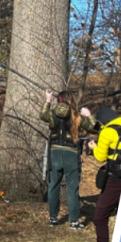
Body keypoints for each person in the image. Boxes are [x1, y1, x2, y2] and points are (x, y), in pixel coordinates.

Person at [40, 90, 97, 229]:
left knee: (53, 185)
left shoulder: (52, 114)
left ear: (58, 100)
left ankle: (53, 218)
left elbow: (42, 115)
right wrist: (89, 115)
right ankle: (74, 221)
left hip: (54, 153)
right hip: (71, 154)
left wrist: (47, 100)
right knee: (73, 188)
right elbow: (96, 128)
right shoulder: (77, 117)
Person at [86, 106, 121, 242]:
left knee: (100, 215)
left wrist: (93, 147)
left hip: (116, 178)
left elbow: (100, 156)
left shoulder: (108, 132)